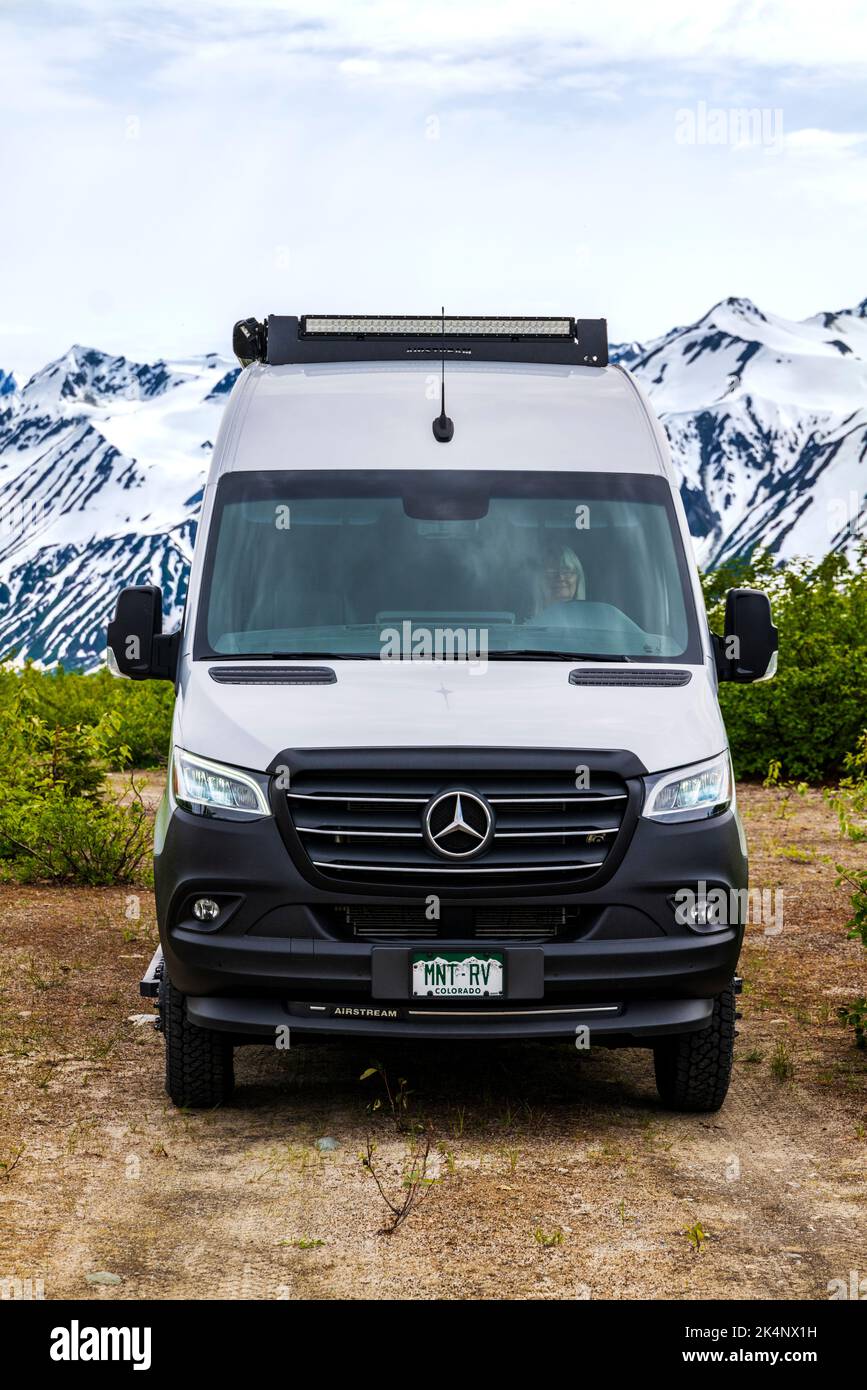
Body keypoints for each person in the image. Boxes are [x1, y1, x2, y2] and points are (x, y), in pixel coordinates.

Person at [532, 540, 586, 614]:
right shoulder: (522, 624)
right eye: (551, 572)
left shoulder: (594, 622)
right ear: (540, 580)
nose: (560, 577)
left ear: (578, 578)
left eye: (567, 571)